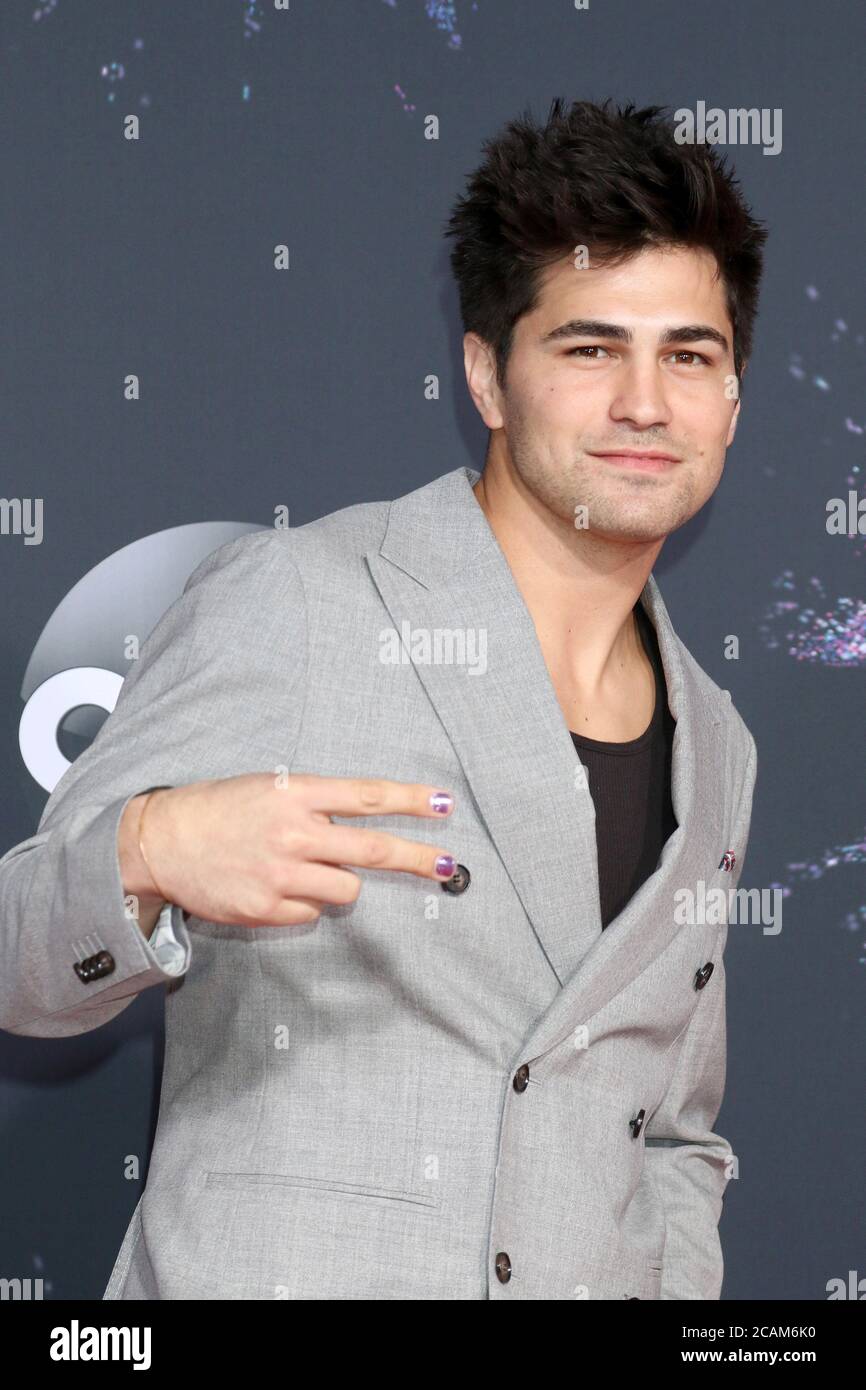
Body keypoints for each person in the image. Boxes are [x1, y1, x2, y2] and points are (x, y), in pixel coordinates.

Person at [0, 98, 763, 1300]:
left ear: (729, 397)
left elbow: (666, 1127)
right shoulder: (301, 598)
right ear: (486, 375)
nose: (642, 403)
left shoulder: (716, 743)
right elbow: (16, 958)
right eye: (586, 348)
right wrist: (143, 852)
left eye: (688, 354)